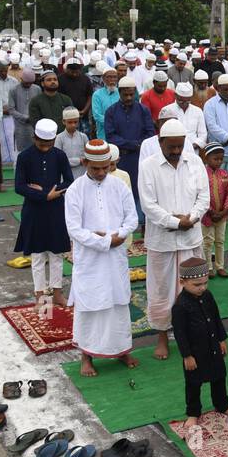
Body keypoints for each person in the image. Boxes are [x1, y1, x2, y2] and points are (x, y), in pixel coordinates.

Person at [66, 139, 139, 378]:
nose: (100, 173)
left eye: (104, 168)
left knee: (118, 302)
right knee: (90, 303)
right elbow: (74, 229)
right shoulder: (76, 189)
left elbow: (132, 218)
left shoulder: (119, 186)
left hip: (115, 256)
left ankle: (121, 350)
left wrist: (119, 235)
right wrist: (105, 241)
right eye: (94, 168)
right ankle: (86, 356)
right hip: (90, 259)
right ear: (85, 162)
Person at [139, 118, 210, 361]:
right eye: (172, 147)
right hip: (162, 241)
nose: (177, 152)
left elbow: (204, 197)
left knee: (193, 288)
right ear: (160, 143)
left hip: (190, 237)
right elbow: (148, 205)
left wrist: (192, 217)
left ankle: (190, 339)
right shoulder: (148, 166)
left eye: (180, 146)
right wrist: (175, 221)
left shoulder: (195, 162)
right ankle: (162, 337)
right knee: (161, 289)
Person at [14, 119, 74, 310]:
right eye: (42, 145)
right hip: (34, 211)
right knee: (38, 256)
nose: (46, 148)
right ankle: (40, 296)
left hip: (56, 209)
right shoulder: (24, 157)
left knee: (57, 254)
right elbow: (19, 186)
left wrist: (51, 193)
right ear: (34, 138)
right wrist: (43, 195)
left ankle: (57, 293)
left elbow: (69, 181)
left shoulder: (60, 156)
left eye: (49, 145)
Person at [171, 257, 228, 427]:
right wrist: (187, 356)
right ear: (183, 282)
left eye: (205, 283)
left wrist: (222, 339)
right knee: (193, 383)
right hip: (195, 353)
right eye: (197, 285)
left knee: (219, 377)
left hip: (213, 346)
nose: (202, 287)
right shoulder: (180, 306)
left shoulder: (208, 296)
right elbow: (180, 334)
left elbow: (216, 317)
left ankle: (222, 405)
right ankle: (193, 413)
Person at [105, 76, 156, 221]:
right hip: (121, 158)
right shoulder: (111, 111)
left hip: (140, 157)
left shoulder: (143, 110)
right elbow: (111, 136)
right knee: (122, 188)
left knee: (141, 187)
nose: (128, 97)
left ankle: (140, 221)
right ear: (119, 93)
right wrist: (132, 144)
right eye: (125, 94)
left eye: (131, 94)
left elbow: (150, 133)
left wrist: (136, 145)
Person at [201, 144, 228, 278]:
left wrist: (224, 211)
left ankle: (220, 266)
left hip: (221, 215)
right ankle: (208, 267)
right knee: (207, 242)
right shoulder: (202, 174)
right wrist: (210, 211)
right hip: (207, 216)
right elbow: (201, 194)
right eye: (216, 159)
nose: (219, 162)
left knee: (220, 241)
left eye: (221, 159)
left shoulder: (225, 174)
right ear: (206, 158)